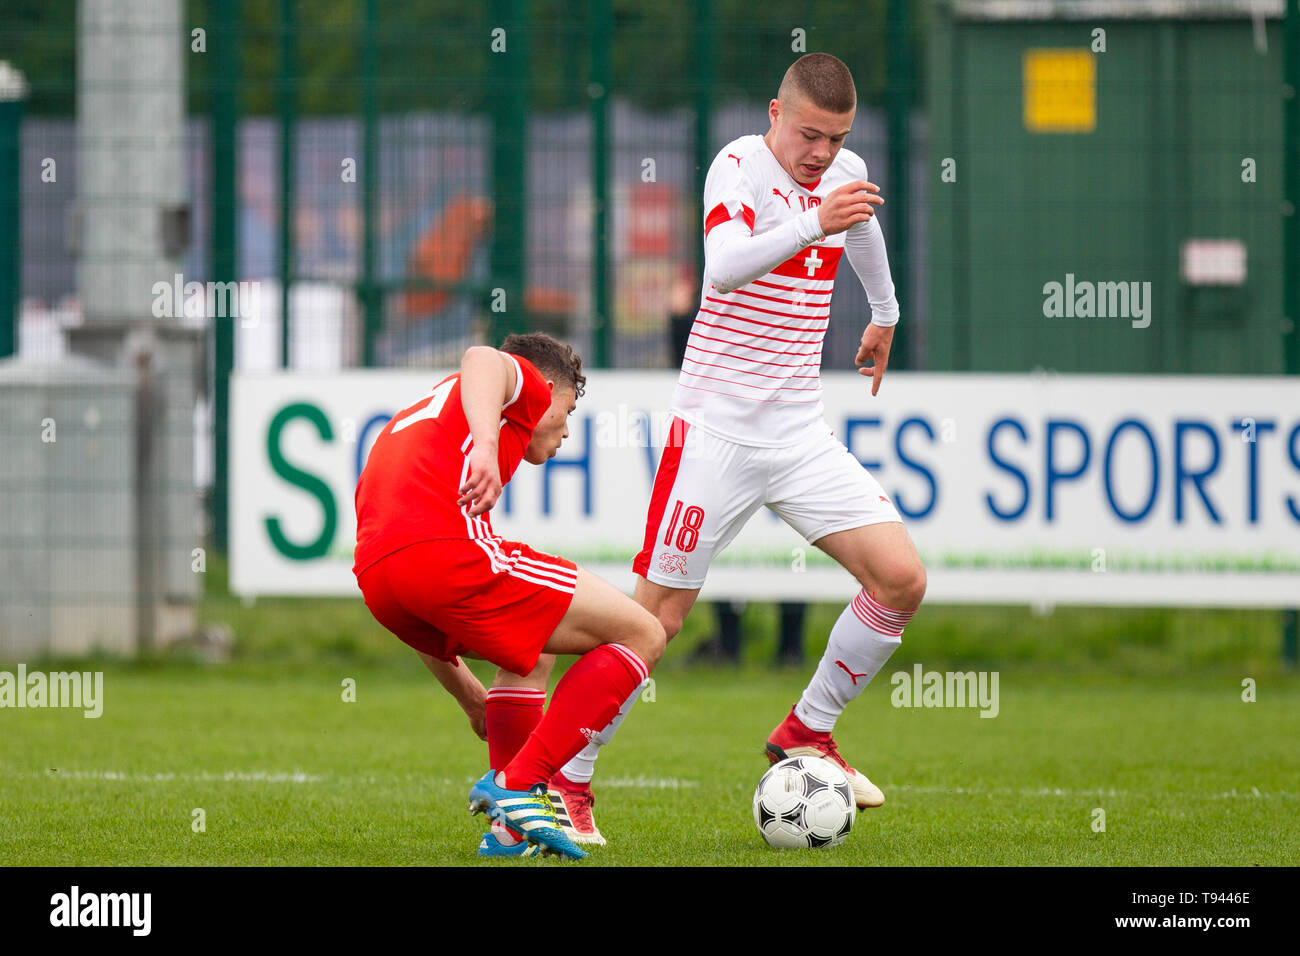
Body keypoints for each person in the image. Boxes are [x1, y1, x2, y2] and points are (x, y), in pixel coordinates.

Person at [546, 52, 926, 842]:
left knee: (900, 579)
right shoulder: (738, 168)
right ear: (774, 114)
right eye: (811, 135)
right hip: (714, 433)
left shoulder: (842, 171)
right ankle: (564, 779)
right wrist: (812, 220)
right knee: (653, 621)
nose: (822, 154)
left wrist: (884, 312)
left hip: (797, 432)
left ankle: (806, 730)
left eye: (837, 138)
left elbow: (862, 226)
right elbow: (722, 269)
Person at [352, 332, 666, 859]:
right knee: (644, 632)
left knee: (532, 648)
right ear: (544, 389)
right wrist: (487, 446)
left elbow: (417, 590)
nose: (565, 429)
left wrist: (471, 696)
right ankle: (520, 784)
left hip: (381, 580)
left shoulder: (426, 414)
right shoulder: (517, 389)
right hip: (441, 553)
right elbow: (482, 358)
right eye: (566, 411)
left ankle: (508, 831)